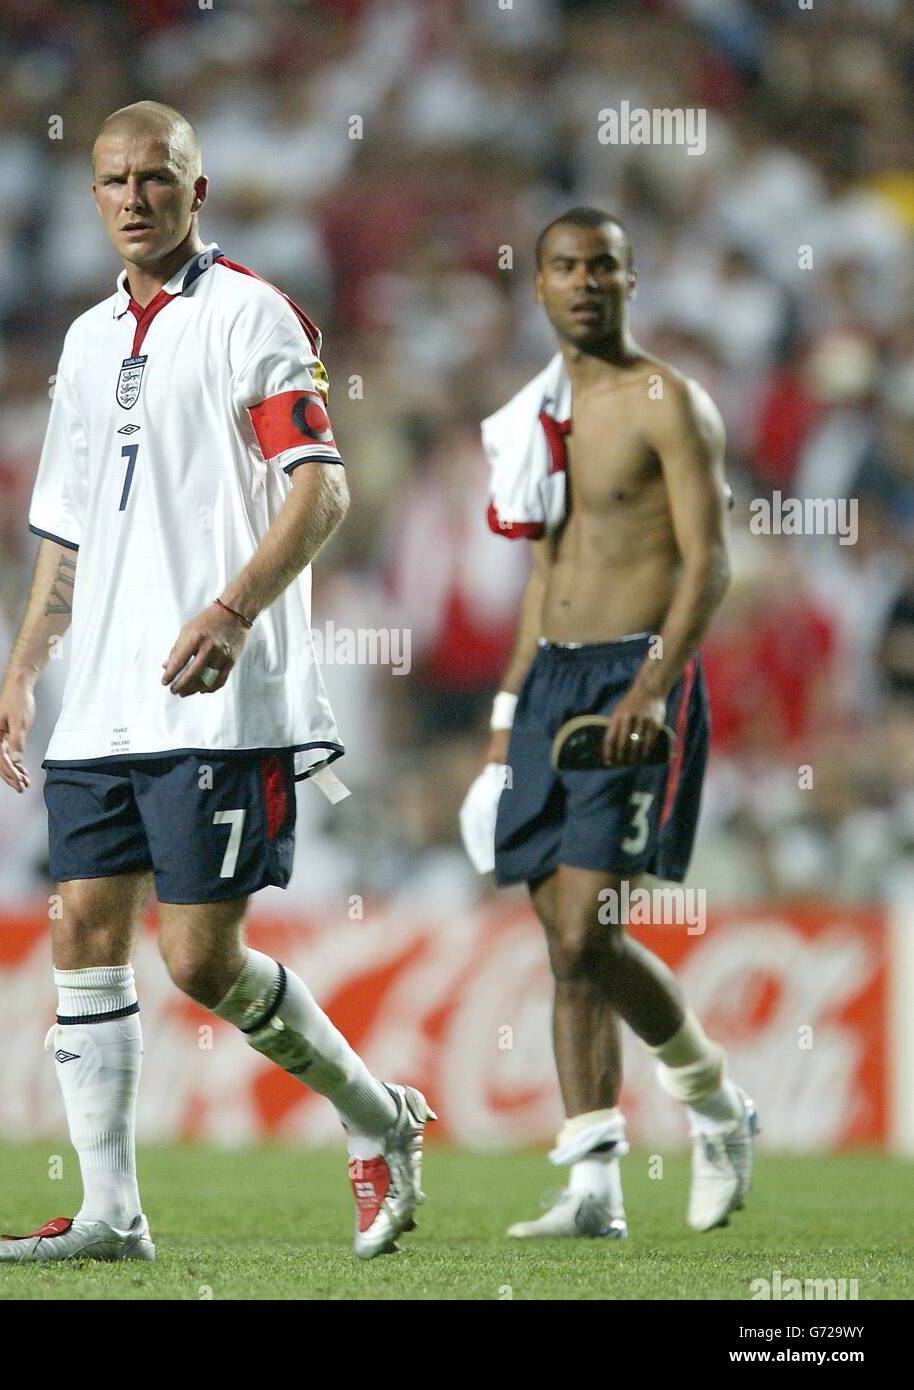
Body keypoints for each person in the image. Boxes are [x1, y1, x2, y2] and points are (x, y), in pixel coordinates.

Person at [0, 101, 433, 1264]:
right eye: (113, 180)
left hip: (219, 693)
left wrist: (233, 612)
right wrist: (25, 669)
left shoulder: (252, 316)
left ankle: (376, 1111)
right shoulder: (84, 344)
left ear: (199, 190)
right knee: (80, 925)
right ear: (93, 196)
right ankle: (111, 1213)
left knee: (197, 960)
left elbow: (320, 488)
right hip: (104, 697)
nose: (134, 197)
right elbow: (65, 531)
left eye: (156, 178)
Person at [481, 207, 755, 1238]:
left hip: (634, 681)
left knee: (588, 925)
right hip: (550, 682)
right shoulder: (534, 413)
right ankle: (593, 1183)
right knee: (563, 945)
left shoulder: (668, 403)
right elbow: (542, 576)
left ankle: (714, 1102)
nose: (585, 281)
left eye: (604, 265)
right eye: (565, 266)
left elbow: (709, 561)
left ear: (632, 281)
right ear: (539, 285)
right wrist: (507, 711)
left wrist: (650, 685)